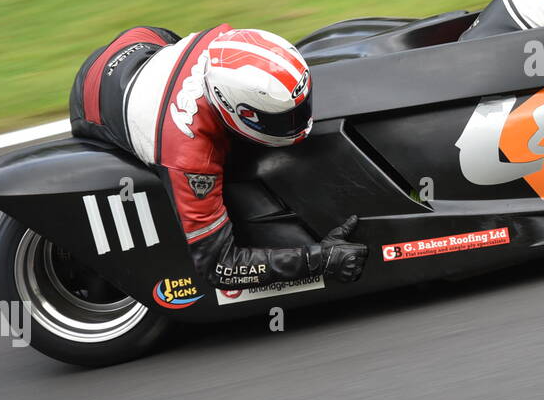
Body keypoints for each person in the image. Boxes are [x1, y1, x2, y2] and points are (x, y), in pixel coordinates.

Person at [68, 24, 366, 290]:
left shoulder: (227, 39)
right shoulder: (187, 156)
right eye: (283, 119)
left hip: (144, 40)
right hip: (93, 97)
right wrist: (320, 261)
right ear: (238, 111)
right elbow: (219, 267)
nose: (299, 122)